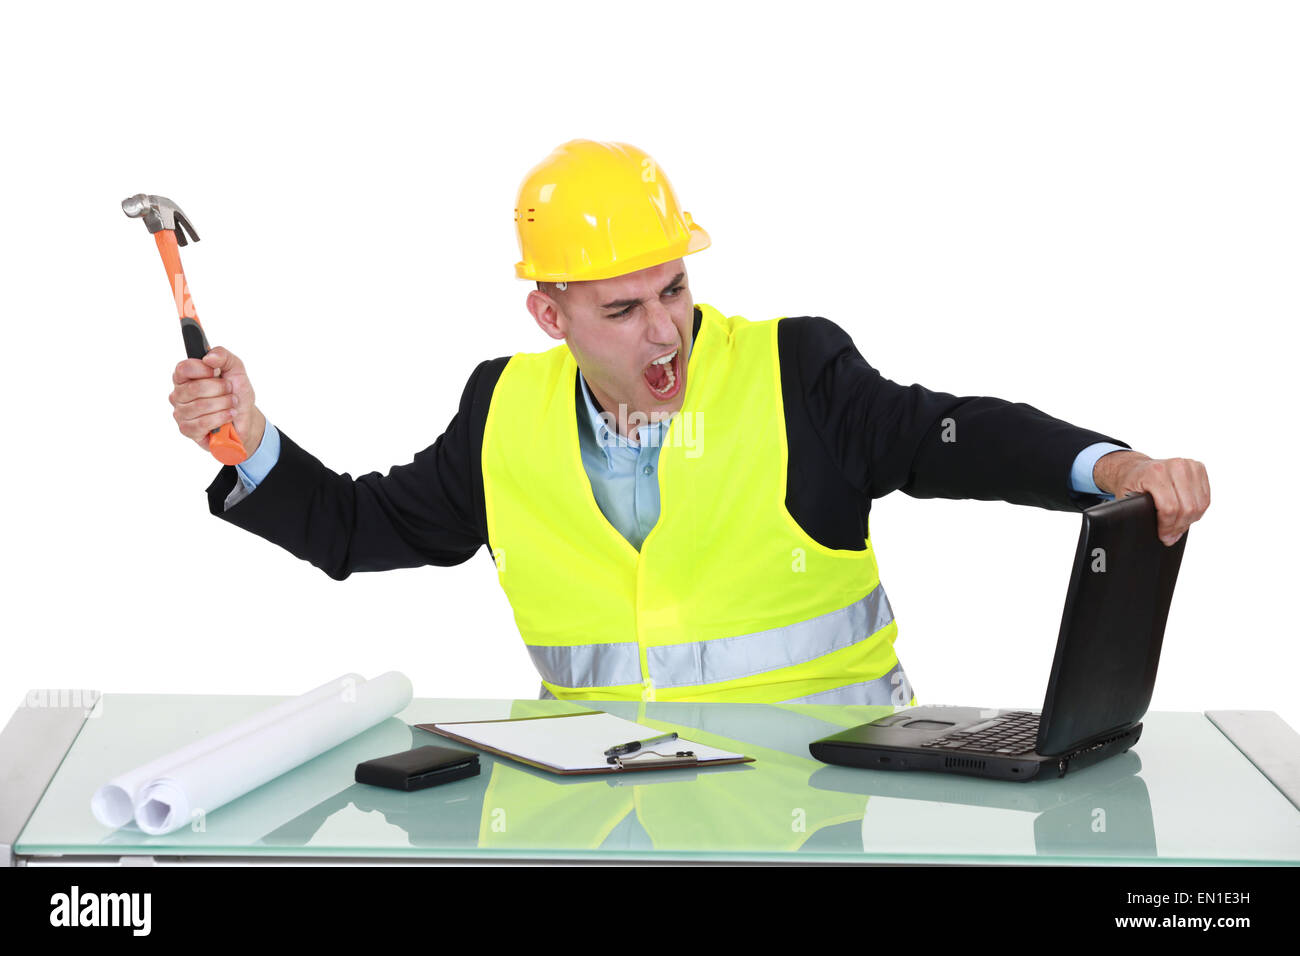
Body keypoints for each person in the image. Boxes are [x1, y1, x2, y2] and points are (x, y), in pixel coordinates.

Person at [169, 139, 1211, 706]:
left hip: (816, 799)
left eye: (672, 288)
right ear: (549, 312)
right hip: (600, 817)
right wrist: (246, 437)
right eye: (621, 308)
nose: (663, 329)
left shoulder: (794, 367)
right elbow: (355, 527)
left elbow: (948, 432)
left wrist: (1110, 463)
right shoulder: (501, 411)